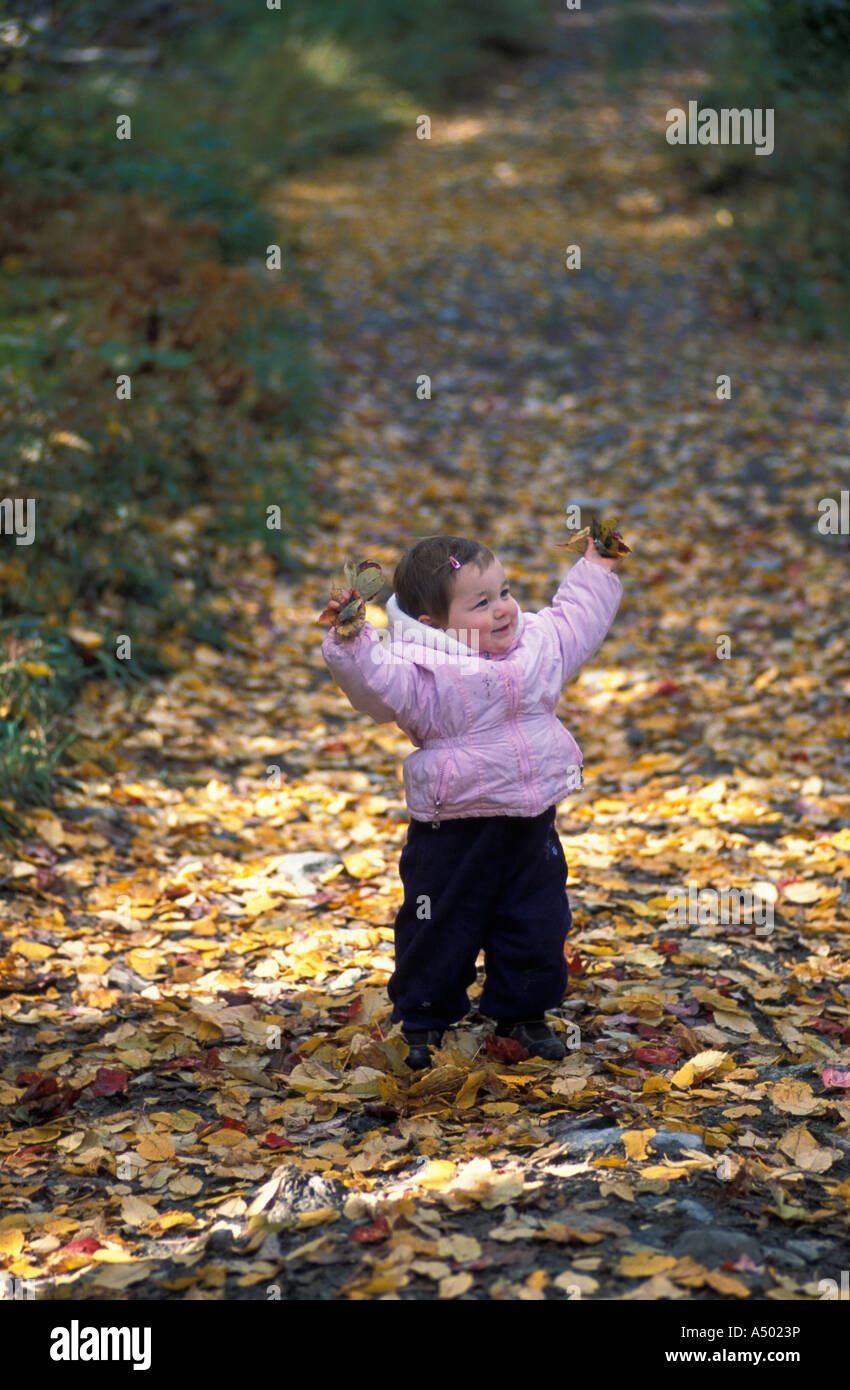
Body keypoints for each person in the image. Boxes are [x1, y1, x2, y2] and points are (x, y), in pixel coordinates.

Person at [320, 531, 624, 1069]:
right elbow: (374, 686)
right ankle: (424, 1020)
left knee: (538, 920)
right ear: (435, 624)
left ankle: (523, 1016)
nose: (504, 609)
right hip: (452, 830)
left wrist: (595, 568)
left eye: (504, 592)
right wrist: (352, 639)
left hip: (530, 823)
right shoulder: (418, 668)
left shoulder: (536, 644)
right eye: (481, 603)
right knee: (439, 923)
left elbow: (577, 617)